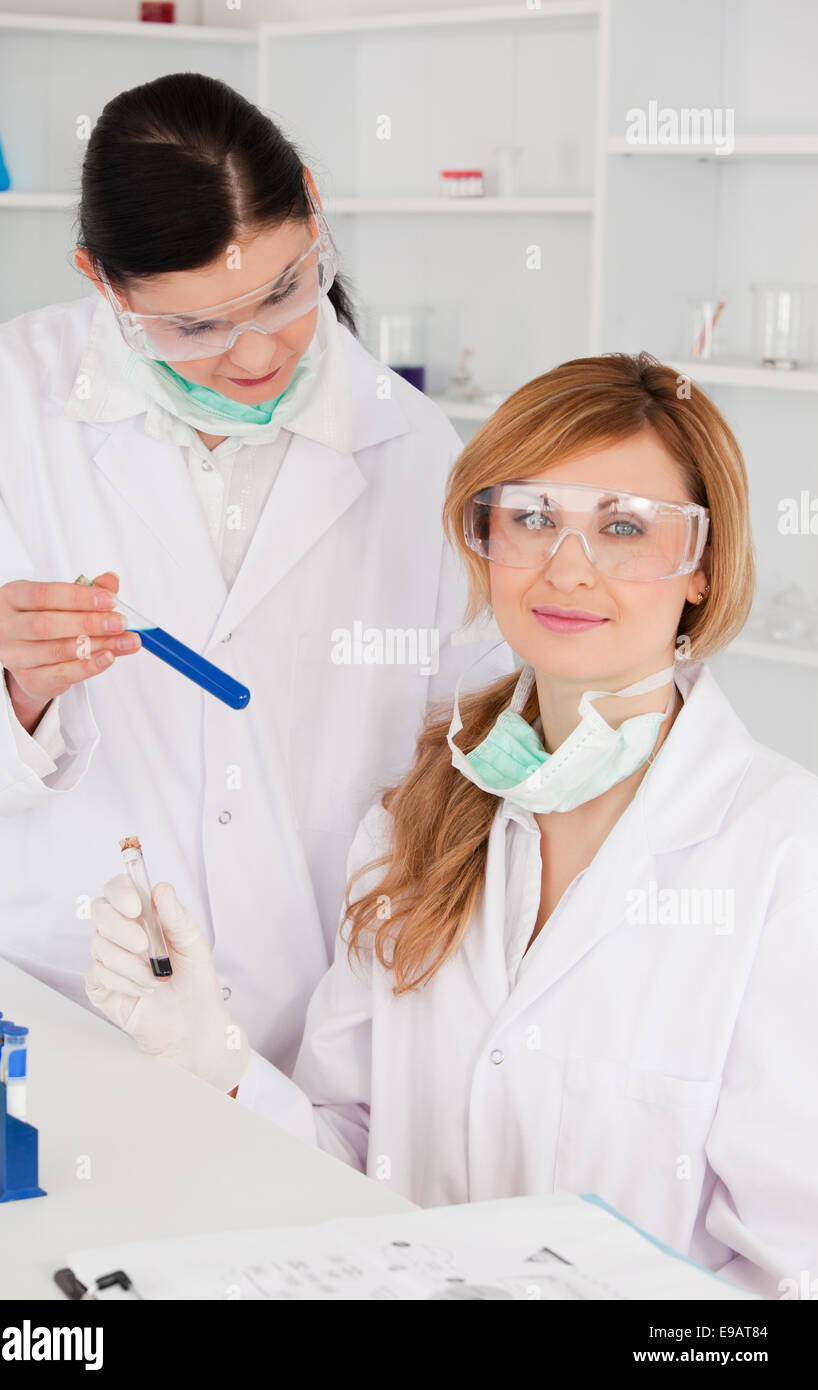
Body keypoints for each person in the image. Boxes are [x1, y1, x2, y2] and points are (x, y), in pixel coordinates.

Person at [89, 351, 818, 1298]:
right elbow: (344, 1155)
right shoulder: (416, 820)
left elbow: (787, 1274)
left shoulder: (781, 856)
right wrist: (216, 1060)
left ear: (701, 568)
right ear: (484, 542)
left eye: (625, 528)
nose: (568, 567)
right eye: (532, 518)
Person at [0, 72, 507, 1074]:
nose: (256, 355)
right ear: (100, 280)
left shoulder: (413, 446)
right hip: (57, 998)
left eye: (285, 292)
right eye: (196, 327)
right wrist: (15, 689)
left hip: (314, 1021)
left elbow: (461, 749)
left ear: (310, 206)